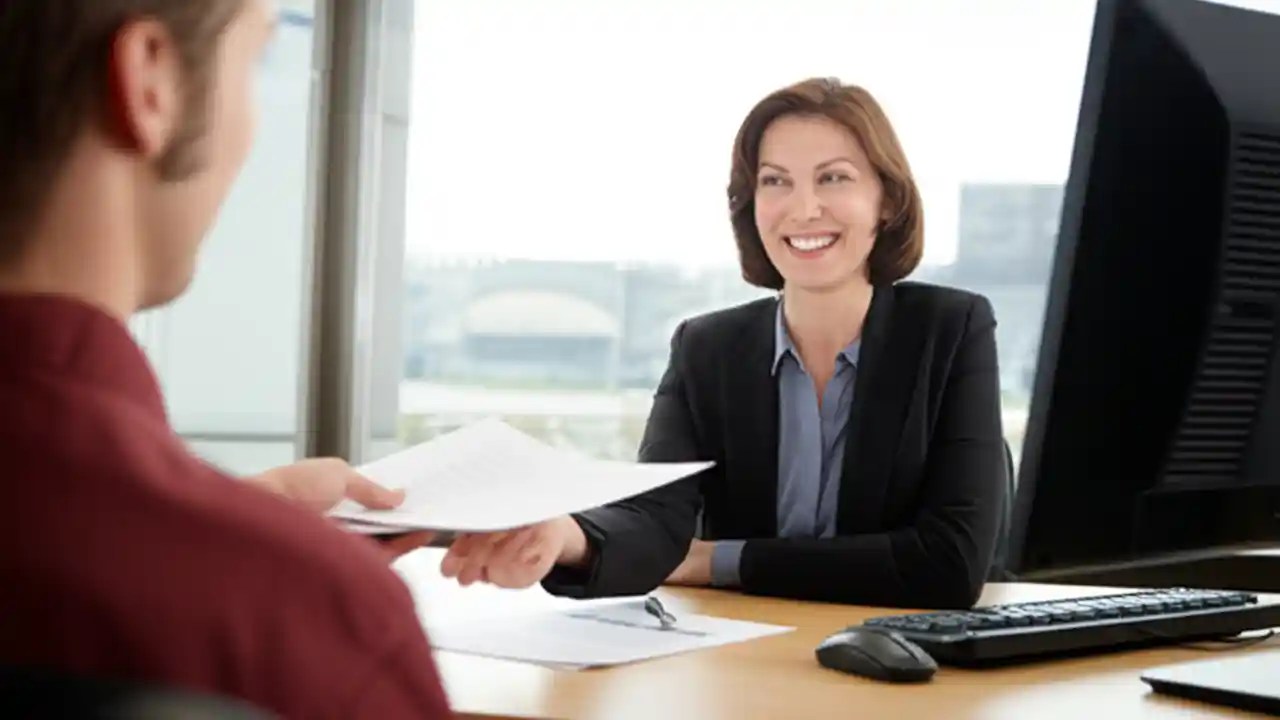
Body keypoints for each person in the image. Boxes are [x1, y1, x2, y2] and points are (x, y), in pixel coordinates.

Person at [0, 0, 449, 717]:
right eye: (257, 59)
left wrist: (247, 511)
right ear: (152, 84)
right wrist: (263, 555)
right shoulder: (313, 624)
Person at [439, 78, 1007, 609]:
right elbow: (656, 522)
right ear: (751, 203)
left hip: (912, 673)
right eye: (775, 180)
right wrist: (564, 538)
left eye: (833, 177)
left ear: (886, 201)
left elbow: (949, 563)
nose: (804, 207)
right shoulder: (706, 348)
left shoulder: (952, 329)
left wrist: (717, 560)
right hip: (750, 660)